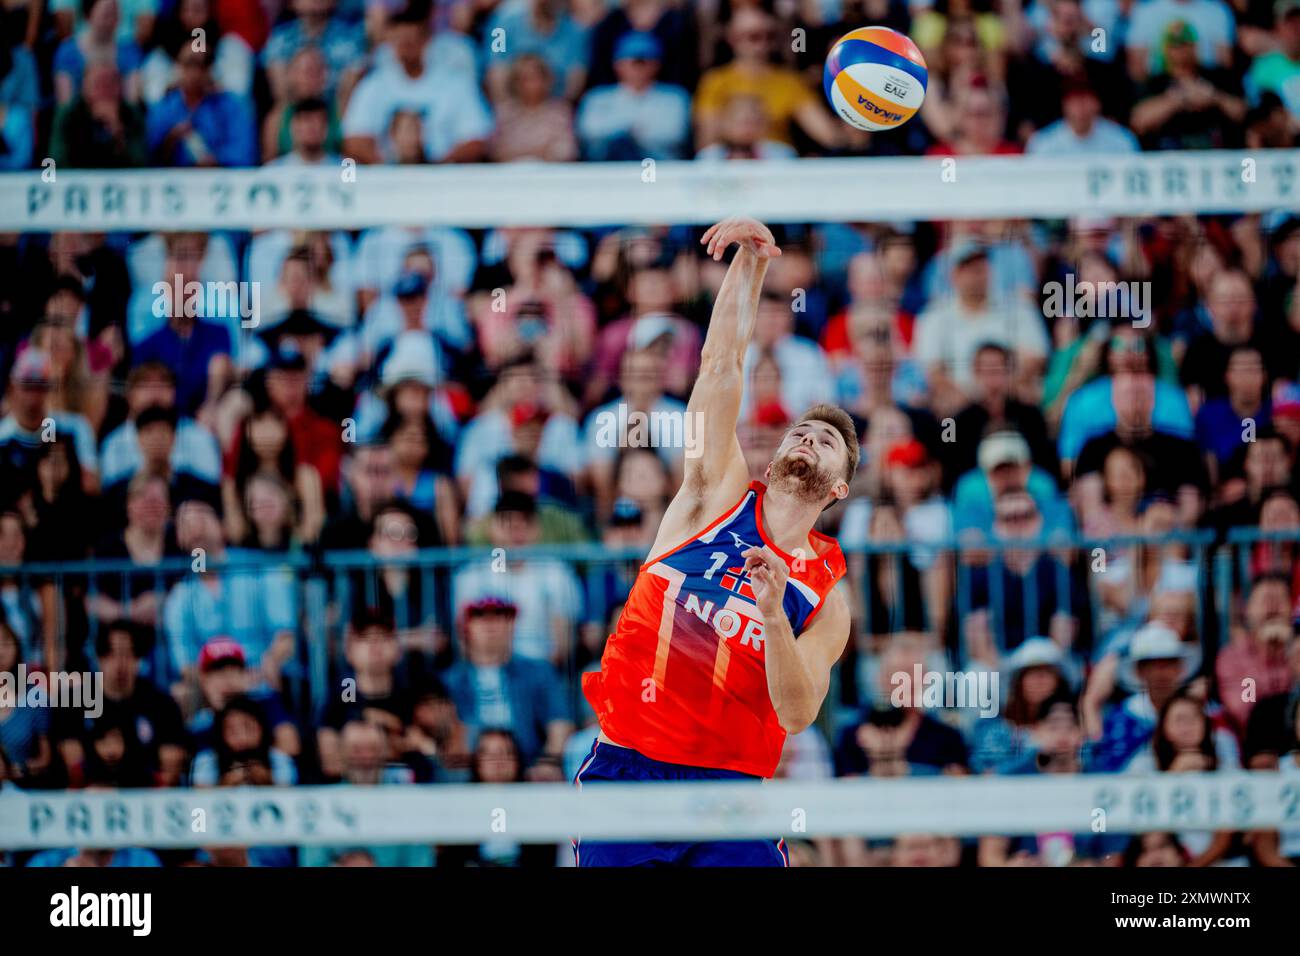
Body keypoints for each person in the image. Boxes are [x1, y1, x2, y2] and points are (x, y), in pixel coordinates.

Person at [576, 217, 854, 867]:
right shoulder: (713, 497)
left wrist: (771, 615)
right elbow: (721, 364)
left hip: (731, 791)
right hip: (631, 765)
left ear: (838, 488)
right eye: (800, 431)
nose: (808, 438)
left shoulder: (826, 601)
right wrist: (752, 264)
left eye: (829, 440)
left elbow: (795, 713)